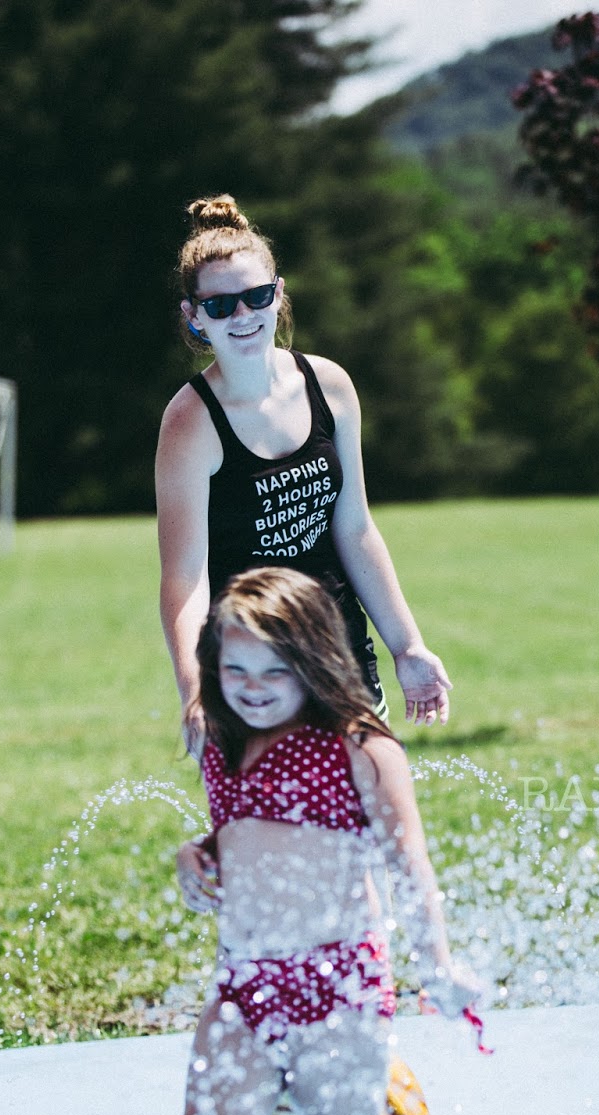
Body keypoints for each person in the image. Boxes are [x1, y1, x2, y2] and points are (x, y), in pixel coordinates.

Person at [110, 569, 481, 1115]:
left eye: (273, 673)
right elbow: (239, 832)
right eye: (235, 671)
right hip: (248, 982)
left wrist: (440, 963)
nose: (252, 690)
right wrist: (195, 857)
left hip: (338, 986)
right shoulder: (220, 735)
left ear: (314, 659)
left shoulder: (361, 744)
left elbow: (407, 861)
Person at [158, 192, 452, 757]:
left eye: (255, 297)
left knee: (368, 828)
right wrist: (196, 692)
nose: (242, 316)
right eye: (219, 306)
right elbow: (184, 579)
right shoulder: (190, 423)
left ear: (278, 294)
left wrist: (408, 646)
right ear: (193, 317)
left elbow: (355, 528)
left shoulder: (331, 386)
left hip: (338, 650)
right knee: (268, 838)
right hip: (249, 672)